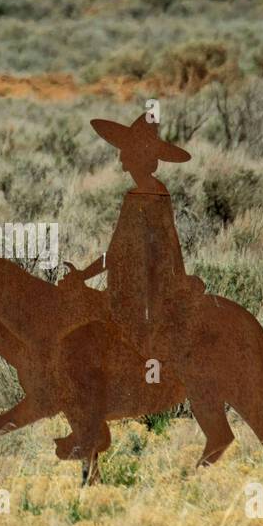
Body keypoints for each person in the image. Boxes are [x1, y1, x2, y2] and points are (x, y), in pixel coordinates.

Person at [62, 114, 203, 356]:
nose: (122, 158)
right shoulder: (159, 191)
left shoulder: (139, 197)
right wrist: (179, 277)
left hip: (133, 296)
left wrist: (84, 275)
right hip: (146, 289)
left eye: (126, 151)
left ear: (138, 155)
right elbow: (171, 242)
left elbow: (118, 253)